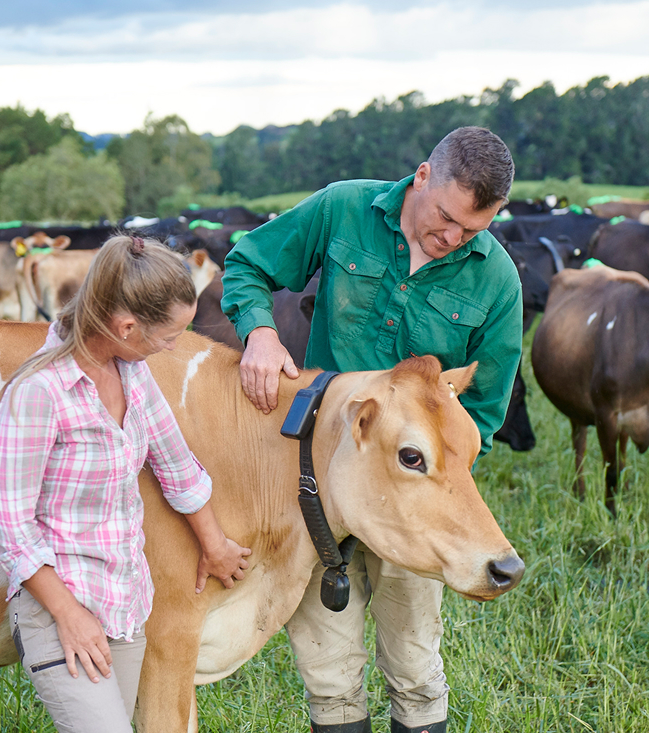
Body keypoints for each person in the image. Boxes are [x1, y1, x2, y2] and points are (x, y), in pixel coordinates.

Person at [221, 127, 522, 733]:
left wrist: (426, 484)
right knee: (328, 670)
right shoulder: (343, 209)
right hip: (320, 483)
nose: (452, 238)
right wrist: (259, 332)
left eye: (473, 230)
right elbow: (247, 263)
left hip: (413, 497)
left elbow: (483, 411)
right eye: (445, 218)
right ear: (422, 176)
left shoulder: (498, 281)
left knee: (415, 666)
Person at [0, 235, 251, 733]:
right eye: (168, 336)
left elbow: (177, 465)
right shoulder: (37, 394)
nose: (172, 347)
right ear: (126, 326)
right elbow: (10, 530)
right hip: (60, 604)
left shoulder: (134, 375)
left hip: (126, 600)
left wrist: (214, 545)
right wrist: (68, 613)